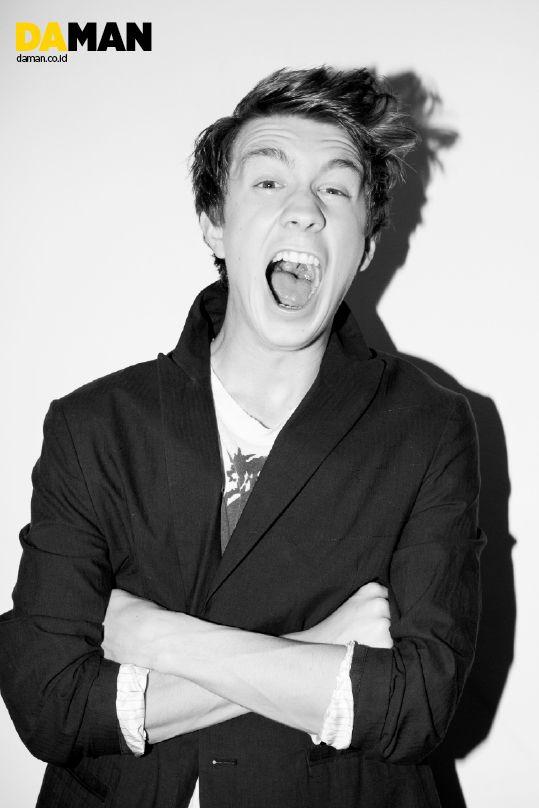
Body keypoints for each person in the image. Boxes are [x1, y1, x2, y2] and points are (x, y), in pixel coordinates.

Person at [0, 66, 485, 808]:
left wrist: (160, 640)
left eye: (335, 189)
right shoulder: (94, 424)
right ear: (214, 222)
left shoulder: (427, 425)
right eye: (268, 181)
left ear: (365, 244)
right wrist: (319, 647)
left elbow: (417, 705)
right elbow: (48, 703)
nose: (304, 211)